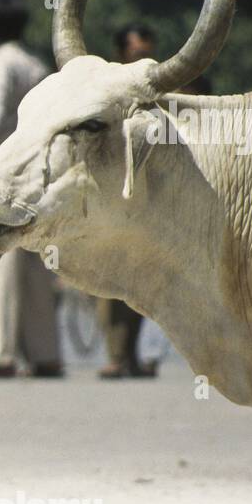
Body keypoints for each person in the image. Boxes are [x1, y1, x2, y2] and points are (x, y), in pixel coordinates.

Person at [0, 0, 62, 378]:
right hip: (37, 174)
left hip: (2, 174)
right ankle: (46, 354)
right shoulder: (37, 65)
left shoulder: (0, 62)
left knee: (1, 264)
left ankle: (2, 354)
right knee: (38, 264)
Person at [97, 24, 158, 379]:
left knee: (146, 278)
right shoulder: (109, 89)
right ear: (122, 54)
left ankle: (134, 355)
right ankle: (116, 355)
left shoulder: (162, 87)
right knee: (111, 279)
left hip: (152, 196)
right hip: (115, 194)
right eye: (136, 53)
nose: (144, 60)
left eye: (148, 52)